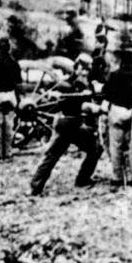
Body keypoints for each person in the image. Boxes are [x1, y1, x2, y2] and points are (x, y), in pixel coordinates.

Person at [30, 53, 101, 194]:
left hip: (75, 124)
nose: (85, 72)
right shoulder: (66, 85)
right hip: (67, 123)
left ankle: (82, 179)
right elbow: (72, 105)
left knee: (95, 149)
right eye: (83, 69)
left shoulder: (84, 84)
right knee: (53, 155)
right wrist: (90, 106)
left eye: (88, 70)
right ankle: (36, 185)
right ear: (76, 68)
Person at [100, 37, 132, 186]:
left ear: (120, 57)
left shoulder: (114, 75)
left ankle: (117, 177)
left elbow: (105, 93)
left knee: (116, 146)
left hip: (117, 113)